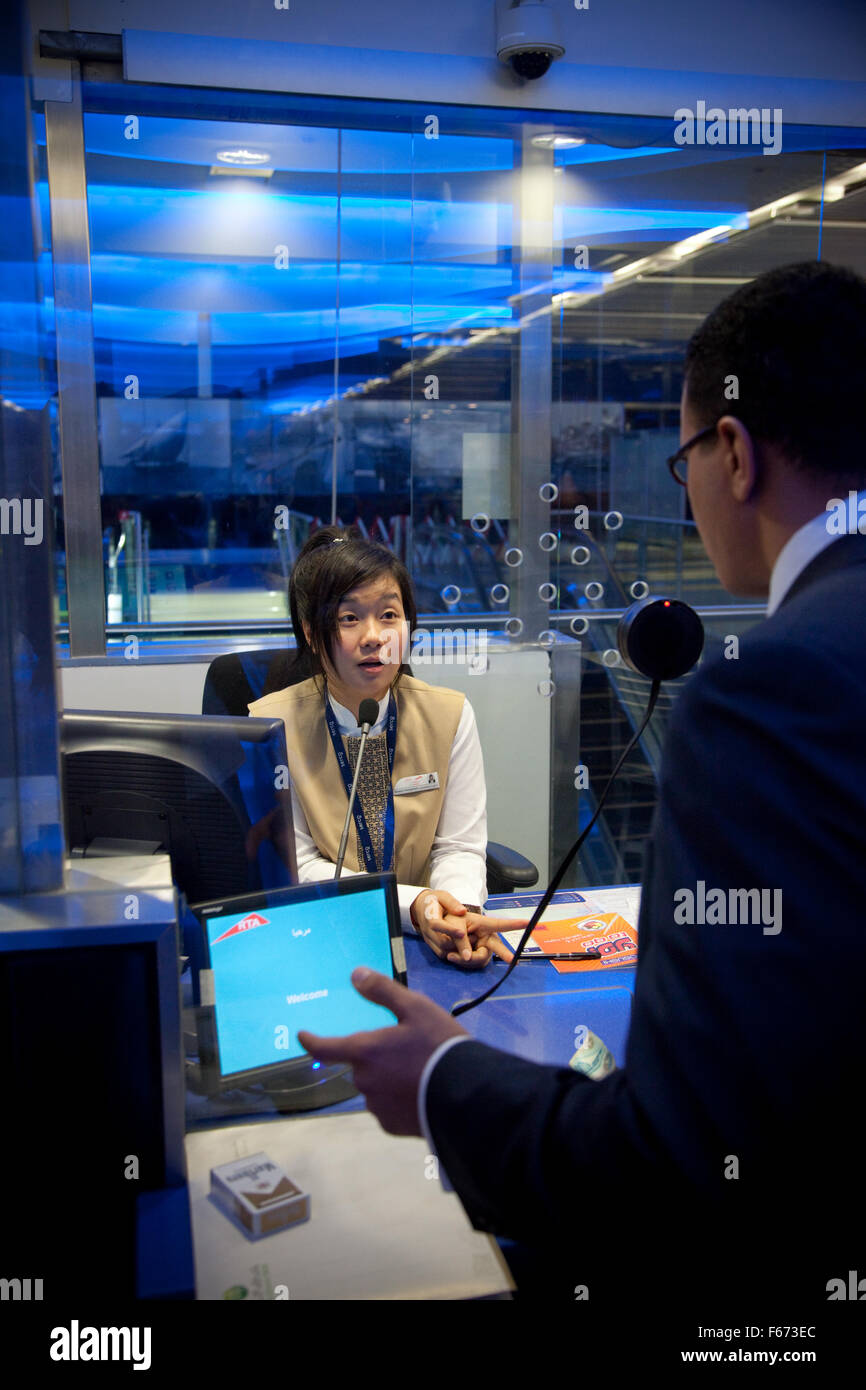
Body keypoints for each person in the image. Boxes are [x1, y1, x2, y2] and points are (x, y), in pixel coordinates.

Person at [296, 261, 866, 1309]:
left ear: (730, 453)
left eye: (682, 452)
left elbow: (680, 1167)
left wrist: (443, 1080)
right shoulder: (275, 728)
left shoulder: (773, 693)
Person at [249, 526, 526, 968]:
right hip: (319, 940)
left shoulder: (449, 715)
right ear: (312, 634)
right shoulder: (271, 726)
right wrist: (415, 905)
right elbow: (297, 868)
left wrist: (461, 916)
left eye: (389, 615)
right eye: (349, 618)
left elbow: (458, 847)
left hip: (424, 944)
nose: (374, 636)